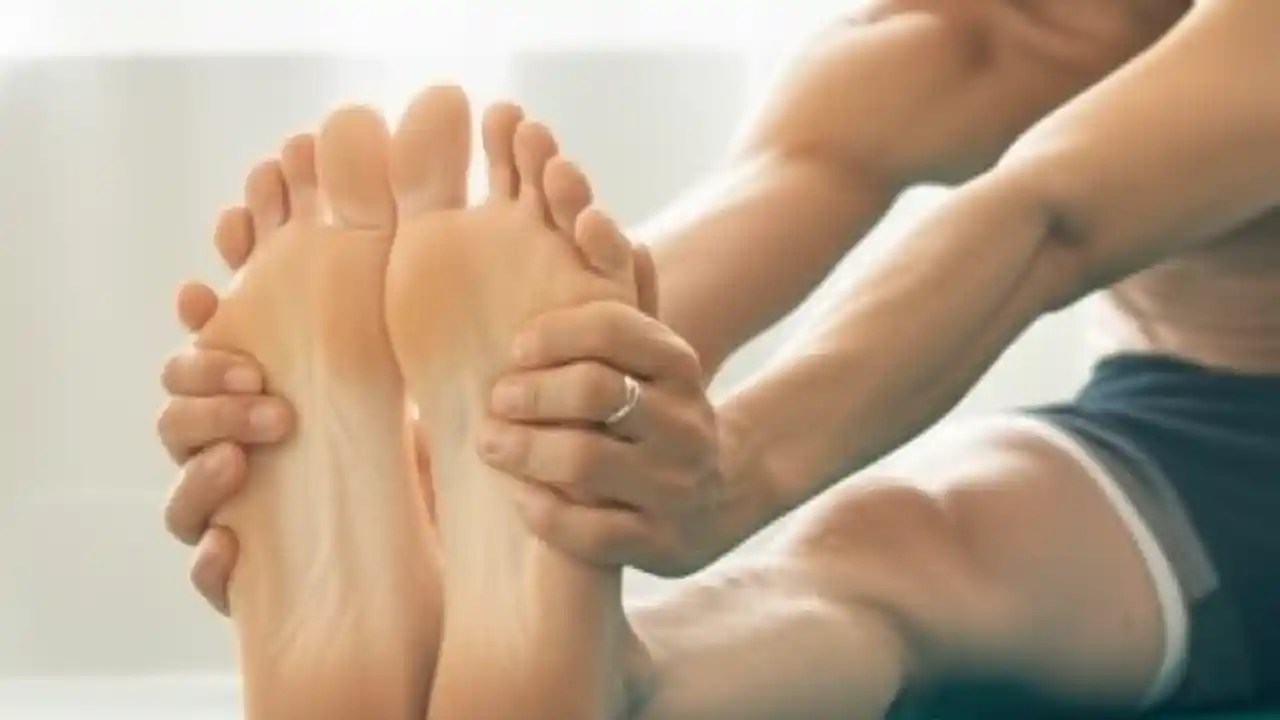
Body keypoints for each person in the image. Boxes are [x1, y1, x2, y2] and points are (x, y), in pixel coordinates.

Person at [156, 0, 1280, 716]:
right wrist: (447, 478)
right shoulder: (943, 37)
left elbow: (1042, 221)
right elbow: (740, 220)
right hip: (1162, 413)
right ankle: (611, 686)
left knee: (904, 544)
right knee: (888, 545)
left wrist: (738, 470)